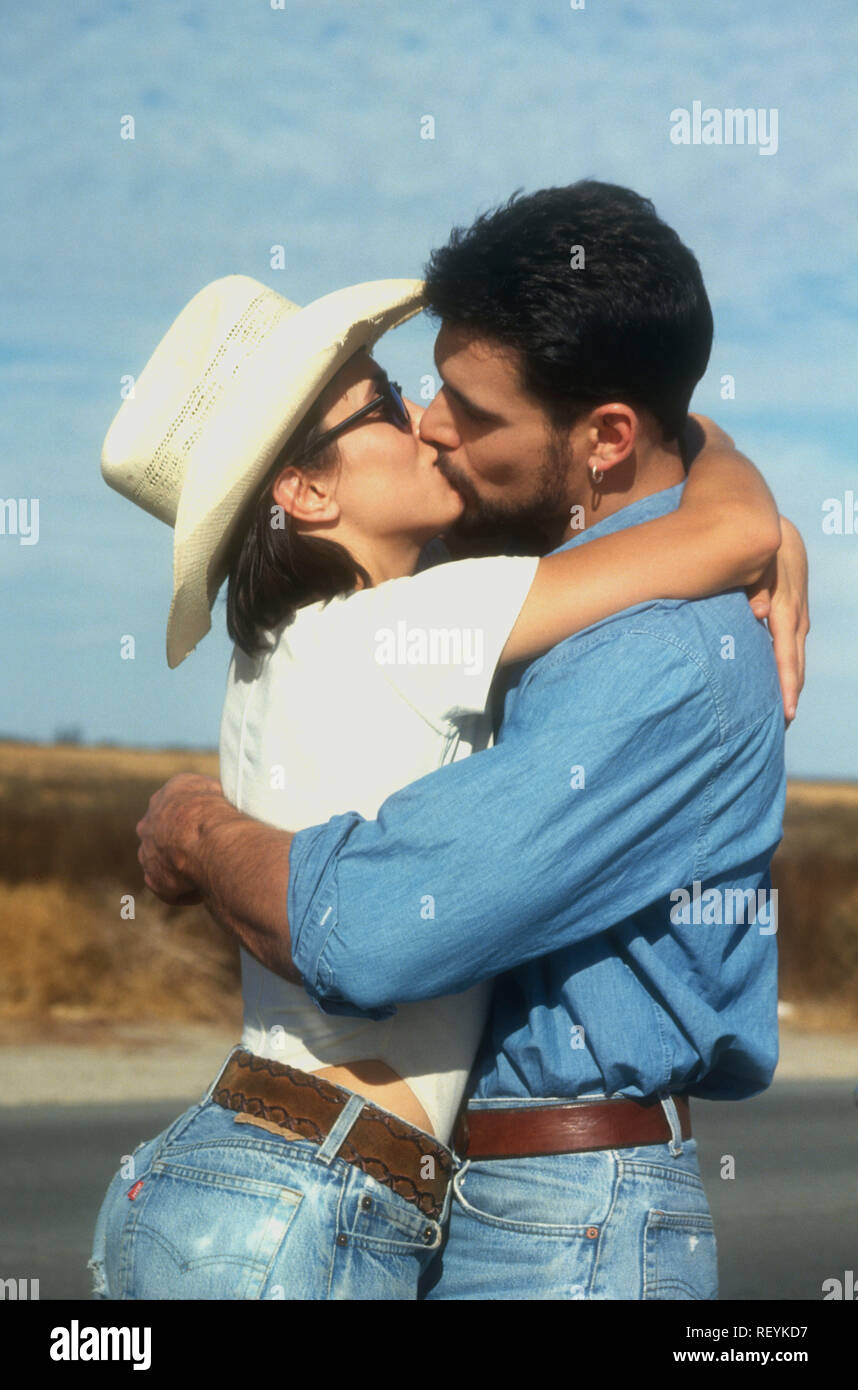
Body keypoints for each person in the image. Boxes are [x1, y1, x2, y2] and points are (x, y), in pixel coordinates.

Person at [130, 183, 808, 1301]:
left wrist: (201, 830)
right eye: (411, 396)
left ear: (602, 438)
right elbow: (705, 498)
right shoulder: (463, 596)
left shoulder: (650, 652)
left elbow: (377, 930)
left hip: (559, 1221)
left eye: (459, 406)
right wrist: (753, 510)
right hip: (423, 1196)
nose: (434, 427)